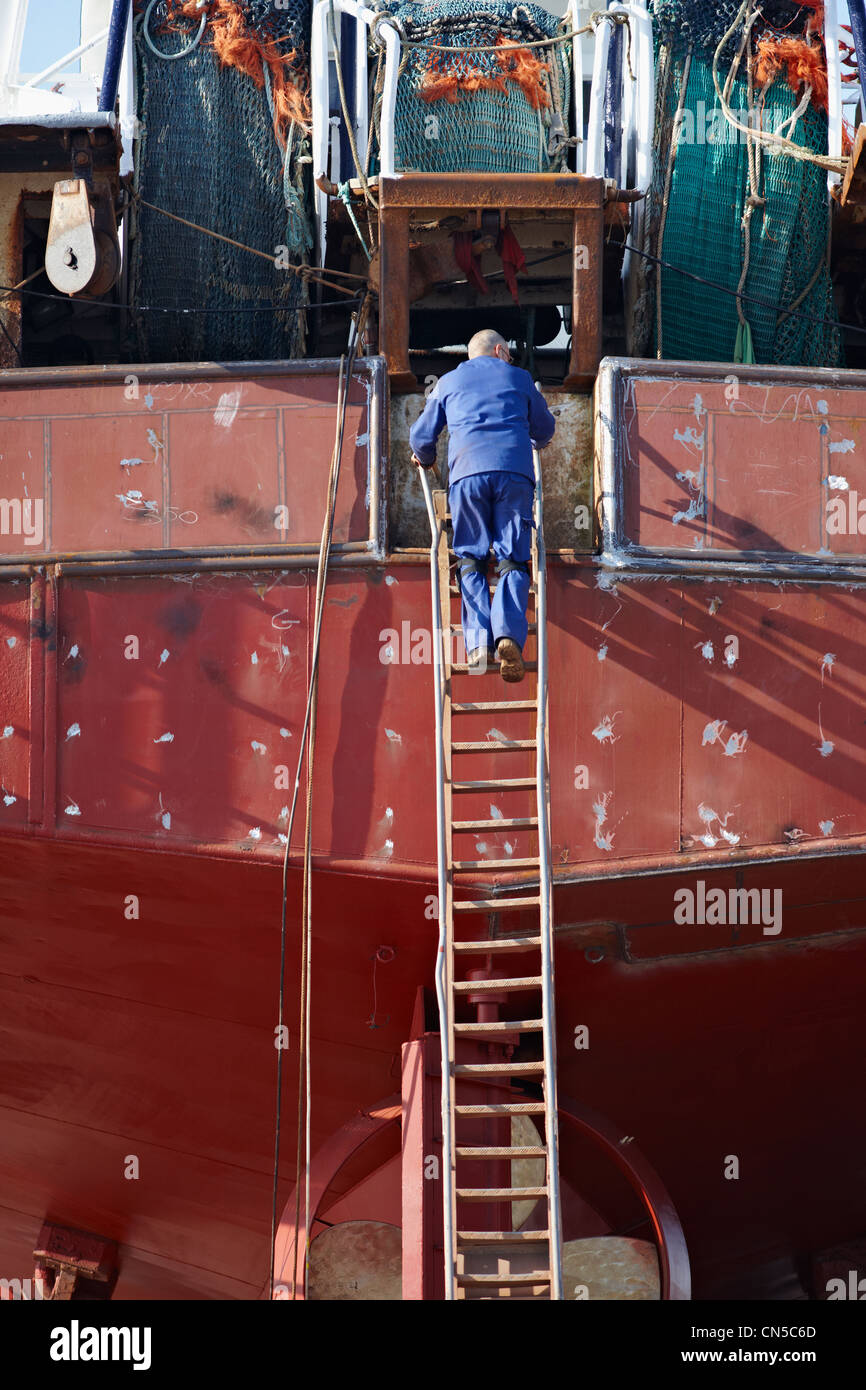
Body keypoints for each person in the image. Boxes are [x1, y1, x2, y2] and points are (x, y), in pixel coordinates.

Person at [410, 328, 556, 682]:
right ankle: (507, 635)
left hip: (466, 475)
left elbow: (420, 437)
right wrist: (535, 438)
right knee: (513, 557)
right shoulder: (520, 378)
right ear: (500, 350)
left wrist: (425, 458)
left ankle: (477, 644)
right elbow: (545, 429)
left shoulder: (447, 382)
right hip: (514, 473)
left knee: (471, 558)